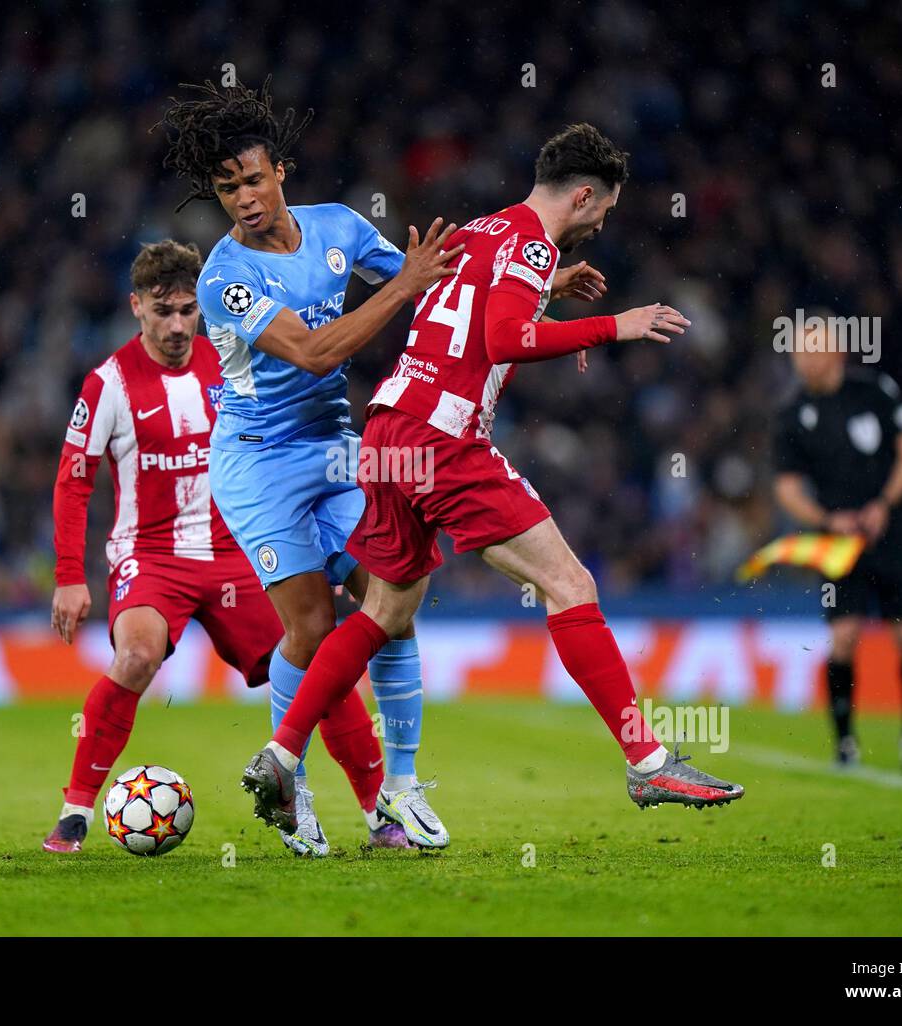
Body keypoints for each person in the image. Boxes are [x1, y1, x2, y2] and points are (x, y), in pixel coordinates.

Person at [240, 123, 745, 834]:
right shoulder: (534, 244)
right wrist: (611, 325)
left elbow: (471, 306)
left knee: (385, 611)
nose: (603, 222)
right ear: (581, 195)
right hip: (444, 439)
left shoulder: (483, 230)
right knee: (571, 586)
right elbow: (503, 337)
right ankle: (648, 761)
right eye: (604, 208)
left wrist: (550, 290)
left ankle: (281, 755)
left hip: (387, 432)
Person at [162, 77, 463, 850]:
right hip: (258, 465)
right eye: (228, 188)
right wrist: (402, 287)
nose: (244, 198)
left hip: (334, 456)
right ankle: (290, 790)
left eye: (254, 179)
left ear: (281, 172)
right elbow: (315, 348)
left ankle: (401, 789)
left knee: (390, 603)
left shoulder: (340, 227)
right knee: (313, 623)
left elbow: (437, 284)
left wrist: (542, 288)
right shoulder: (222, 276)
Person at [42, 240, 395, 854]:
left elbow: (288, 444)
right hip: (152, 558)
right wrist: (70, 574)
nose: (178, 325)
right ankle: (75, 814)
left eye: (187, 311)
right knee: (136, 657)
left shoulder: (234, 364)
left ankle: (379, 813)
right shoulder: (109, 384)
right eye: (163, 312)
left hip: (239, 554)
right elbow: (74, 480)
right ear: (136, 308)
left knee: (316, 658)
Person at [773, 319, 902, 767]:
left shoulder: (874, 391)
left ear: (836, 353)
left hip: (893, 535)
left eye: (811, 351)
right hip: (840, 546)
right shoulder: (792, 414)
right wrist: (828, 519)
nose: (801, 360)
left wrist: (884, 503)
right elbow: (786, 489)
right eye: (797, 353)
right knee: (842, 639)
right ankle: (844, 740)